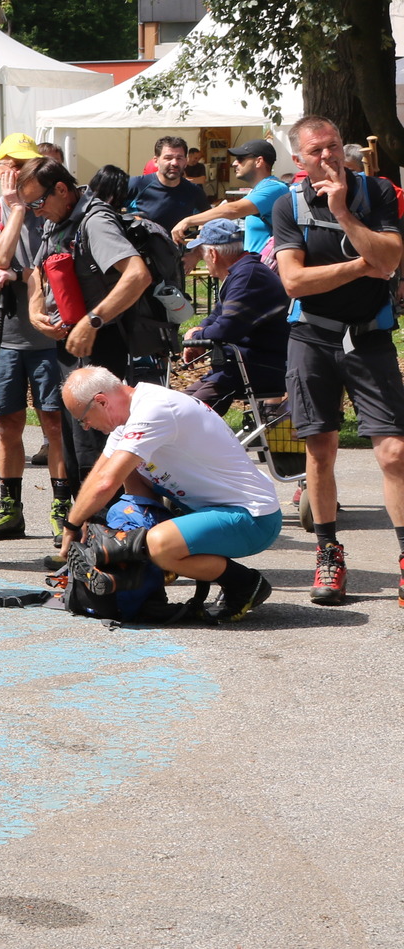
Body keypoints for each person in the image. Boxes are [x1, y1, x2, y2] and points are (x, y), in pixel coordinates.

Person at [270, 115, 404, 607]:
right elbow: (294, 283)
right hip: (313, 337)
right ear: (299, 161)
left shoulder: (377, 194)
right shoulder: (288, 206)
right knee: (320, 449)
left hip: (368, 339)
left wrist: (346, 214)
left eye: (332, 148)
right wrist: (360, 268)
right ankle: (328, 554)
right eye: (316, 152)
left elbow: (390, 259)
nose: (327, 157)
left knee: (394, 453)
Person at [58, 367, 279, 622]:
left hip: (253, 517)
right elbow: (100, 474)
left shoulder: (155, 410)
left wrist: (71, 525)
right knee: (131, 472)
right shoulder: (128, 417)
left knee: (159, 545)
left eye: (83, 418)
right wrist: (85, 522)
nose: (85, 427)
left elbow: (106, 483)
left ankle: (244, 584)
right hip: (210, 512)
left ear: (101, 401)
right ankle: (155, 564)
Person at [21, 158, 153, 564]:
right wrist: (34, 308)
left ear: (62, 190)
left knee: (97, 447)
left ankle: (104, 544)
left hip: (101, 348)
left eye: (39, 201)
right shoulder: (55, 221)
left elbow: (137, 274)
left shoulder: (94, 222)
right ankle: (88, 539)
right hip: (70, 347)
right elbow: (39, 272)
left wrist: (93, 321)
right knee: (79, 448)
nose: (35, 211)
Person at [0, 135, 69, 540]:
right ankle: (10, 508)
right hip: (3, 332)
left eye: (29, 165)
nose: (24, 173)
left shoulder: (49, 209)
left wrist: (19, 274)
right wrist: (13, 208)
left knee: (55, 423)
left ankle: (63, 504)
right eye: (15, 165)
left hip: (50, 335)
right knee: (8, 424)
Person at [181, 218, 289, 410]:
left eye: (201, 254)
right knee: (172, 405)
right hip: (239, 367)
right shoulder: (243, 271)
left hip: (256, 368)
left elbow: (226, 328)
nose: (203, 261)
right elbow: (218, 315)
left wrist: (195, 337)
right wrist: (200, 331)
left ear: (213, 254)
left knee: (183, 413)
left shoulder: (248, 276)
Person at [172, 138, 290, 255]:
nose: (234, 163)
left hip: (269, 270)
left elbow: (233, 210)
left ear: (258, 161)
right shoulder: (257, 190)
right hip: (256, 267)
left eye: (240, 159)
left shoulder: (275, 188)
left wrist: (188, 221)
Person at [127, 136, 210, 235]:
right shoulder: (136, 185)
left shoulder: (193, 191)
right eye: (168, 158)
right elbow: (106, 212)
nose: (174, 163)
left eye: (179, 158)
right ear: (156, 161)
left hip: (176, 250)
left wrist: (200, 236)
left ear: (185, 161)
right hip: (137, 250)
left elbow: (208, 218)